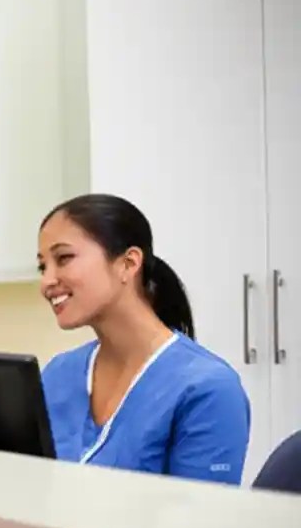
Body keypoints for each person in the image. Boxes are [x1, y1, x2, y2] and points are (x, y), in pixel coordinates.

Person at [37, 194, 250, 484]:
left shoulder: (209, 389)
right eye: (43, 267)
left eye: (63, 258)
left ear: (128, 263)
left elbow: (201, 512)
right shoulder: (58, 374)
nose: (47, 281)